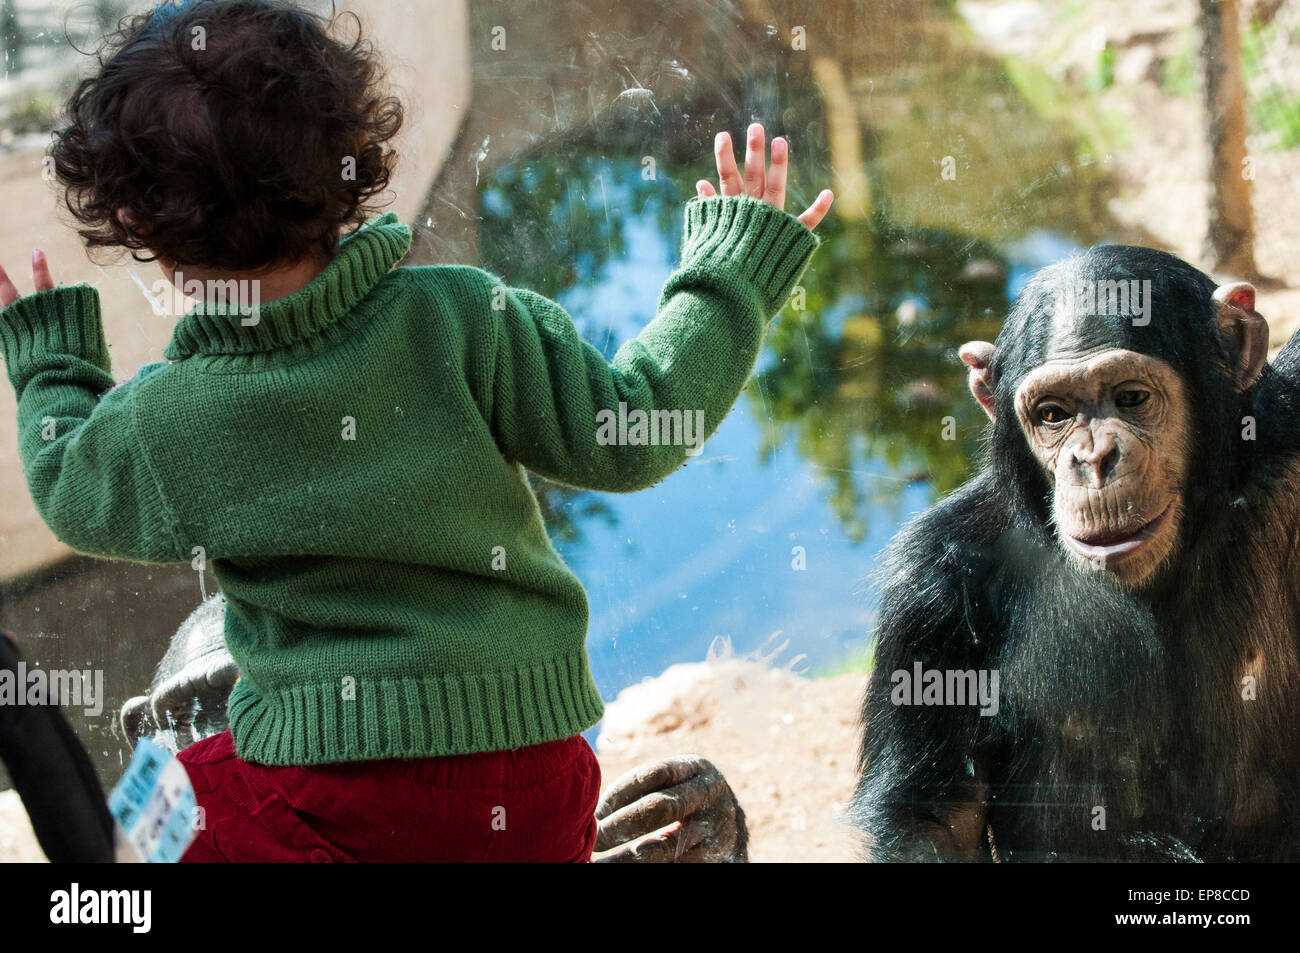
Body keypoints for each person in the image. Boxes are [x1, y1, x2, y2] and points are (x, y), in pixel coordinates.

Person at [0, 0, 832, 862]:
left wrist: (52, 362)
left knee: (155, 811)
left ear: (143, 230)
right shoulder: (466, 316)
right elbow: (638, 430)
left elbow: (69, 484)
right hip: (537, 785)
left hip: (333, 800)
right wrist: (729, 276)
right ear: (350, 159)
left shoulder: (171, 416)